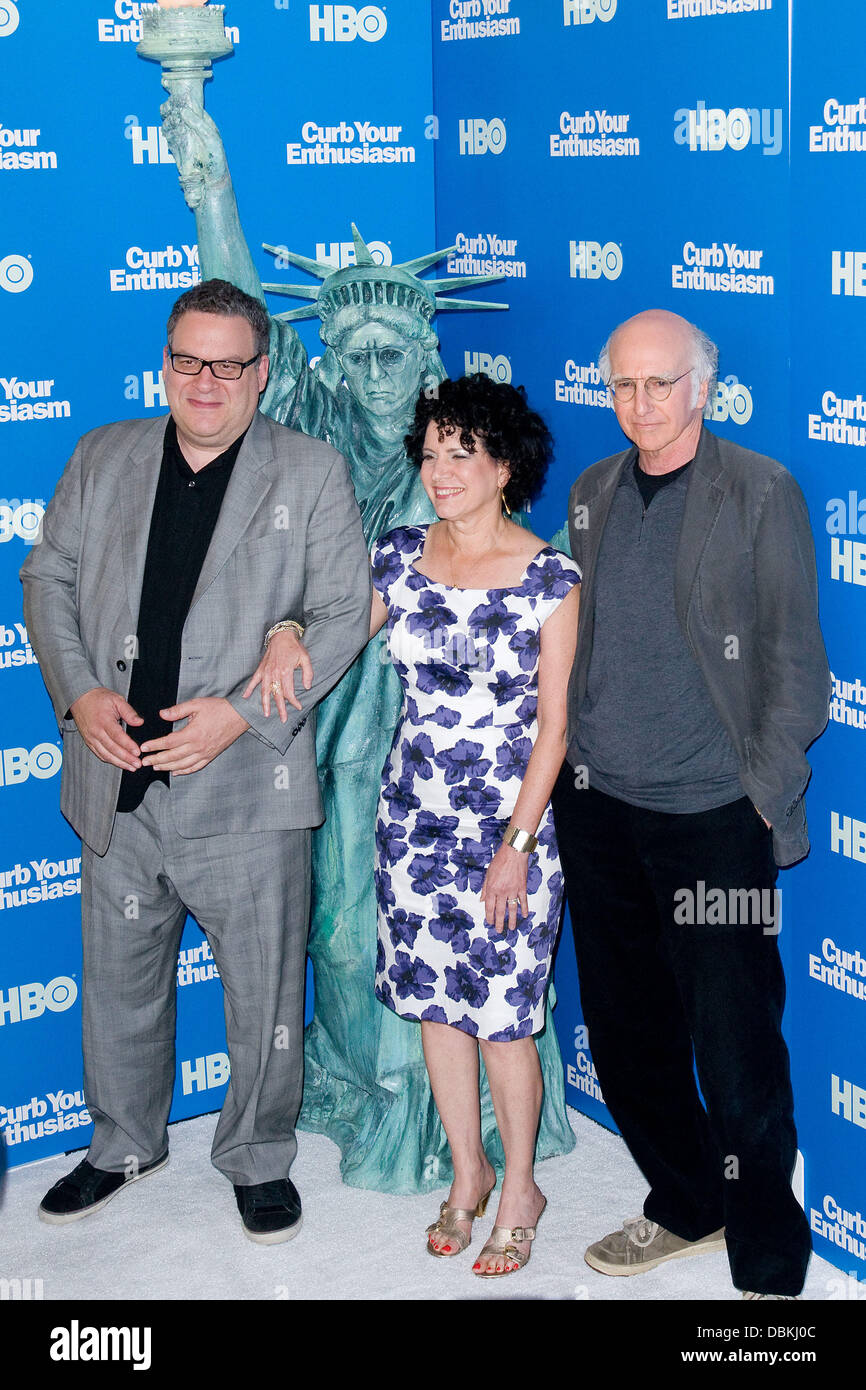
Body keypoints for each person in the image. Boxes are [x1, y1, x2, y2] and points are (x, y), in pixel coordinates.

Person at [159, 95, 577, 1192]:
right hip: (345, 719)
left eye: (394, 351)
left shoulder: (470, 481)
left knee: (392, 926)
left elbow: (549, 691)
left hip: (440, 741)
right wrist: (209, 179)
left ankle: (450, 1128)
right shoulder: (319, 426)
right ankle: (377, 1084)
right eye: (354, 352)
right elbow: (242, 304)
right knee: (343, 927)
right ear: (330, 364)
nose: (375, 369)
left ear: (426, 353)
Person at [20, 279, 370, 1245]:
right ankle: (122, 1143)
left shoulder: (312, 471)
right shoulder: (103, 455)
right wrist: (78, 693)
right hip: (116, 775)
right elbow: (48, 575)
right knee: (118, 982)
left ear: (262, 374)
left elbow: (345, 612)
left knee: (264, 994)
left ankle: (257, 1156)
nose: (205, 381)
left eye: (227, 364)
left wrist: (238, 718)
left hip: (247, 788)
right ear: (165, 362)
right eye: (188, 360)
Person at [251, 375, 581, 1275]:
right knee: (438, 1007)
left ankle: (521, 1187)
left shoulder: (549, 578)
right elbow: (334, 637)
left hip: (508, 832)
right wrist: (286, 627)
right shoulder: (398, 556)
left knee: (504, 1019)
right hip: (412, 824)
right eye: (430, 454)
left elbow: (555, 729)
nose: (440, 471)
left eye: (461, 454)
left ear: (505, 466)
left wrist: (516, 849)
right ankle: (469, 1171)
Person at [551, 309, 829, 1298]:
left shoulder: (758, 489)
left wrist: (757, 795)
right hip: (600, 813)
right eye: (622, 384)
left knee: (736, 1044)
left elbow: (797, 666)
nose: (640, 403)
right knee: (628, 1036)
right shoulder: (591, 490)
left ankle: (768, 1256)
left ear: (702, 388)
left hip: (712, 819)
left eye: (659, 383)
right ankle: (686, 1201)